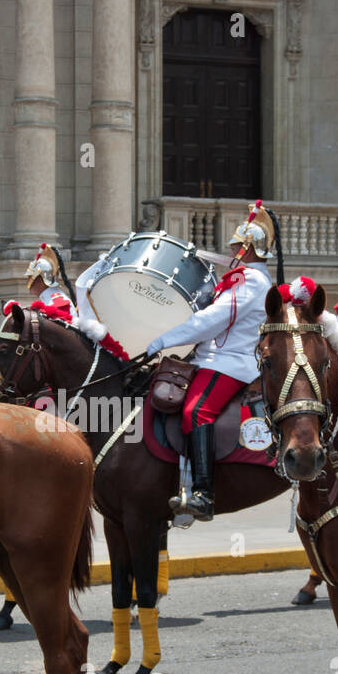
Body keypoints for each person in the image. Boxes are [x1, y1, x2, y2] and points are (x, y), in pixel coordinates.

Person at [143, 200, 281, 521]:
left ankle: (203, 493)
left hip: (229, 362)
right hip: (212, 357)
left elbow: (213, 320)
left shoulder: (250, 281)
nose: (232, 250)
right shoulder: (242, 277)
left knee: (196, 411)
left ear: (247, 248)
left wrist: (163, 340)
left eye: (236, 246)